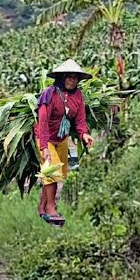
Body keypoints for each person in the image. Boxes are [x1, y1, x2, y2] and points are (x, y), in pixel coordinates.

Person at [34, 59, 95, 226]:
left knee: (55, 175)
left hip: (61, 138)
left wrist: (84, 134)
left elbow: (80, 120)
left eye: (75, 77)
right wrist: (44, 147)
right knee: (51, 171)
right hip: (44, 137)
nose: (72, 80)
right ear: (61, 77)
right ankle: (52, 208)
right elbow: (43, 121)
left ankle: (42, 207)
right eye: (69, 76)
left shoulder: (78, 96)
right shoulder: (49, 94)